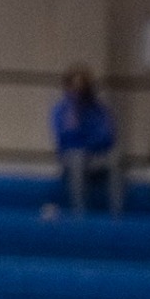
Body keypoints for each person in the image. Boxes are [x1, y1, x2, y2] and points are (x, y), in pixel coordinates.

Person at [51, 64, 122, 216]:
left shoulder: (99, 110)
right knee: (77, 157)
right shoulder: (62, 110)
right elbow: (64, 139)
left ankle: (116, 214)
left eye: (82, 86)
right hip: (73, 158)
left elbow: (107, 136)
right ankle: (79, 213)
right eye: (75, 86)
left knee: (115, 159)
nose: (79, 91)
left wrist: (87, 144)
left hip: (96, 156)